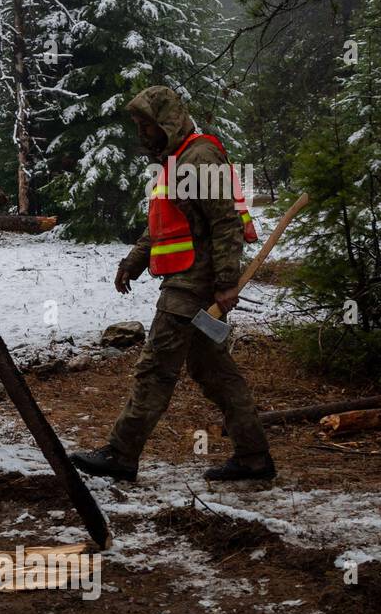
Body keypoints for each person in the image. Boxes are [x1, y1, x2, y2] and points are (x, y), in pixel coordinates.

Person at [70, 85, 275, 483]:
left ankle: (121, 453)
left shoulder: (200, 156)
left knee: (155, 369)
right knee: (213, 372)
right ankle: (254, 459)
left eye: (146, 125)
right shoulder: (175, 160)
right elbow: (164, 225)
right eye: (138, 125)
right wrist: (134, 260)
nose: (142, 133)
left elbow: (226, 224)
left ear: (167, 121)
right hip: (185, 279)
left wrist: (226, 283)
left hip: (192, 286)